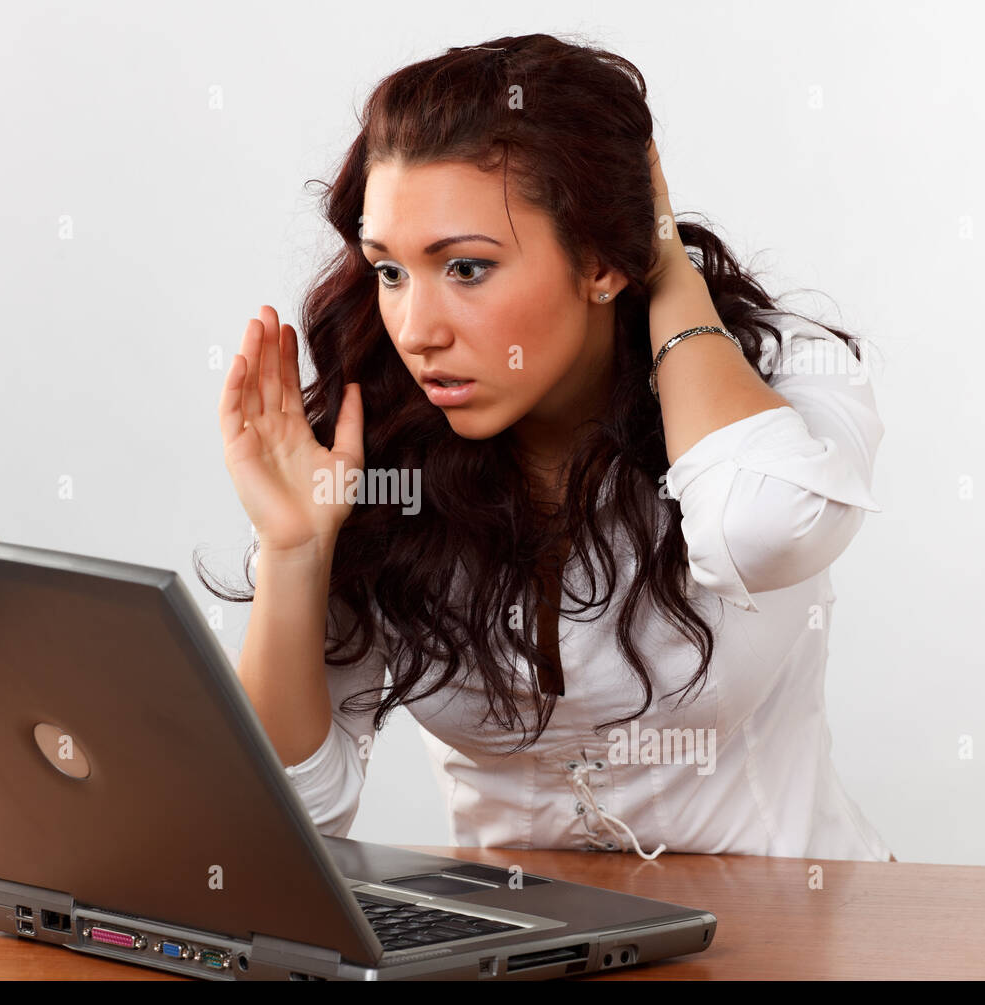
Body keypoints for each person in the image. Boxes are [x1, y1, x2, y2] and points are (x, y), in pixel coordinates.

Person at [203, 33, 896, 862]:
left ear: (602, 260)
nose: (416, 331)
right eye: (390, 271)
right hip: (520, 947)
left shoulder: (783, 375)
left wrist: (665, 261)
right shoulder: (380, 449)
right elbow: (283, 824)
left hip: (787, 941)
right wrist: (294, 549)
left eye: (465, 268)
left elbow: (764, 525)